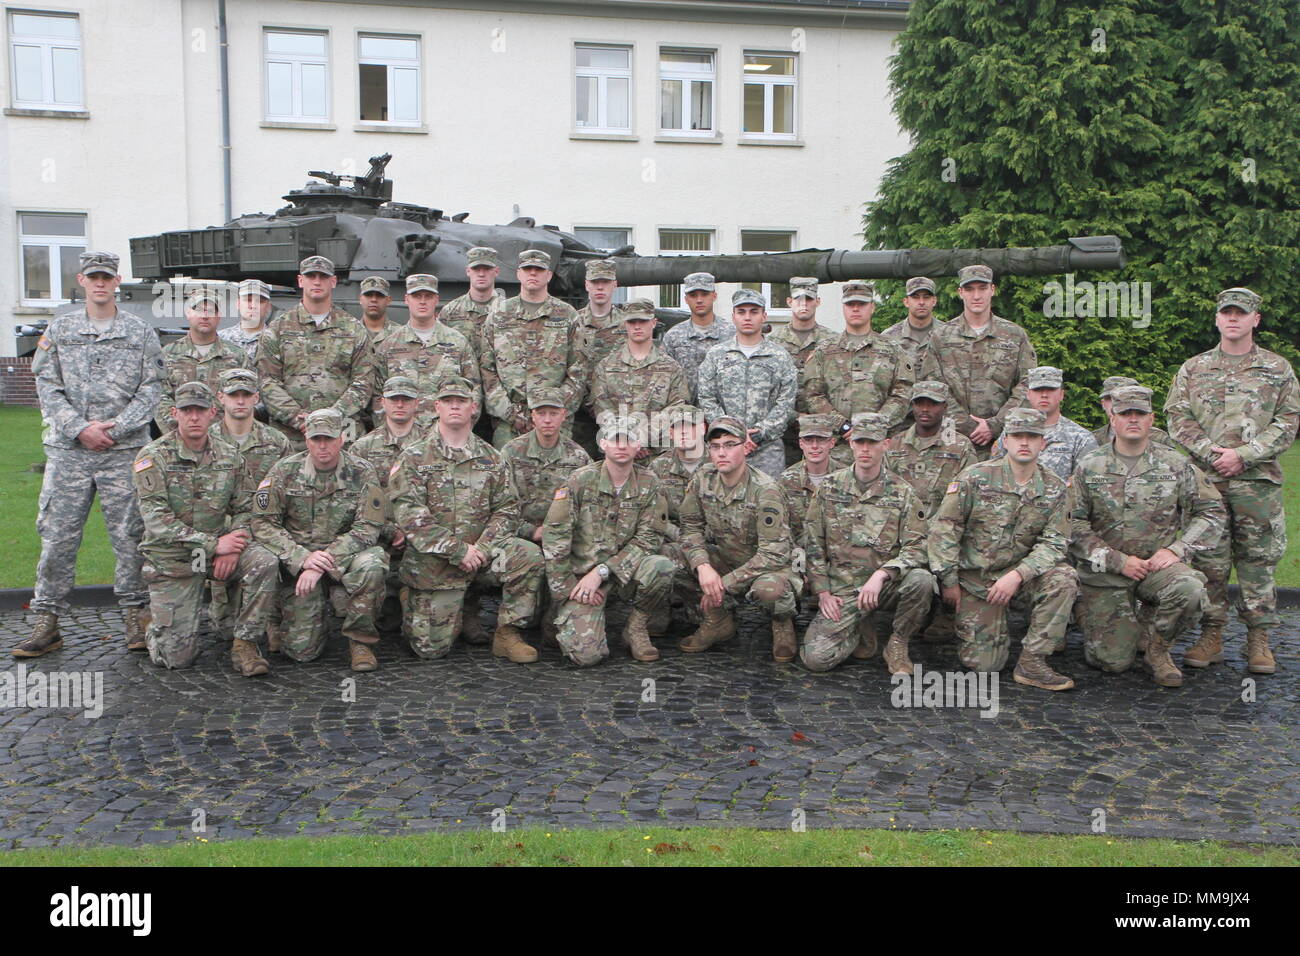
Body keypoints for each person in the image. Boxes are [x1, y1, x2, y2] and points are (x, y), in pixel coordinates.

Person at [16, 251, 163, 659]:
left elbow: (152, 388)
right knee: (58, 539)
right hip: (69, 453)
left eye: (107, 277)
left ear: (118, 281)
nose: (100, 284)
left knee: (131, 538)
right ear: (81, 280)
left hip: (123, 450)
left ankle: (136, 615)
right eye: (93, 277)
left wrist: (115, 427)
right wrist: (80, 428)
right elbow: (47, 385)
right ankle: (47, 621)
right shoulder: (61, 330)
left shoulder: (139, 331)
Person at [1165, 287, 1300, 674]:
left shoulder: (1278, 369)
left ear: (1256, 319)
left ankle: (1259, 639)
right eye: (1227, 313)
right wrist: (1212, 453)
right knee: (1210, 561)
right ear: (1217, 319)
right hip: (1207, 482)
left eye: (1241, 313)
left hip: (1257, 482)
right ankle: (1213, 635)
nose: (1233, 319)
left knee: (1258, 562)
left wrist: (1244, 454)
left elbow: (1288, 422)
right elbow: (1177, 417)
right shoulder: (1195, 368)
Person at [1070, 386, 1225, 686]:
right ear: (1112, 419)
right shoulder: (1089, 466)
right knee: (1112, 662)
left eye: (1139, 414)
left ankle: (1158, 649)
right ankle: (1100, 614)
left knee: (1191, 589)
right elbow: (1072, 526)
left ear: (1151, 419)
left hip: (1158, 567)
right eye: (1125, 413)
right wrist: (1117, 560)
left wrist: (1177, 550)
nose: (1133, 420)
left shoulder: (1176, 465)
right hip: (1107, 572)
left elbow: (1212, 513)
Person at [388, 377, 545, 663]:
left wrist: (481, 549)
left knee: (528, 556)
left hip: (484, 555)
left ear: (474, 408)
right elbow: (411, 516)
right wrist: (458, 550)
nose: (455, 406)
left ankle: (508, 632)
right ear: (437, 407)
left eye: (461, 401)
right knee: (431, 650)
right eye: (448, 401)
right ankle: (419, 599)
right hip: (436, 558)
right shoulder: (413, 457)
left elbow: (507, 509)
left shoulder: (492, 457)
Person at [133, 382, 278, 675]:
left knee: (264, 561)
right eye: (187, 411)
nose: (194, 417)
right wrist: (214, 544)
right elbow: (157, 520)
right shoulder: (152, 457)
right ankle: (152, 626)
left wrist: (233, 546)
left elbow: (246, 507)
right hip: (174, 558)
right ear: (175, 414)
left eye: (200, 410)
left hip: (217, 553)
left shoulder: (230, 456)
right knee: (176, 658)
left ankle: (245, 643)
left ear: (213, 413)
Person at [929, 407, 1077, 691]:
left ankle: (1033, 661)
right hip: (977, 581)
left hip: (1023, 579)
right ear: (1004, 441)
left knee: (1064, 578)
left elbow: (1055, 542)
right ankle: (987, 627)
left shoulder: (1055, 488)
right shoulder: (975, 478)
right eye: (1017, 436)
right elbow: (945, 529)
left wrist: (1018, 575)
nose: (1024, 442)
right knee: (985, 666)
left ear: (1042, 443)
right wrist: (948, 581)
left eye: (1032, 437)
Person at [251, 408, 389, 672]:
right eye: (316, 439)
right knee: (302, 653)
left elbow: (368, 527)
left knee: (373, 563)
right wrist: (302, 559)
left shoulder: (362, 471)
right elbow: (263, 523)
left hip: (344, 557)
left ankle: (360, 641)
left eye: (328, 438)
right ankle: (278, 615)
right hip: (300, 561)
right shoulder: (284, 471)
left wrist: (324, 561)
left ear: (341, 438)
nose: (322, 445)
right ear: (306, 440)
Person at [800, 413, 934, 674]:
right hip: (843, 589)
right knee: (816, 660)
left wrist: (883, 574)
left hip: (884, 586)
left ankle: (897, 643)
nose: (865, 449)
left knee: (922, 580)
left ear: (885, 444)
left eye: (872, 443)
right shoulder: (830, 487)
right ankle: (861, 627)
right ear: (850, 444)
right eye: (860, 442)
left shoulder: (902, 492)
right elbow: (814, 542)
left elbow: (917, 547)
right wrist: (823, 592)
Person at [542, 417, 674, 665]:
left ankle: (636, 628)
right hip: (582, 578)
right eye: (615, 439)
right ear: (603, 444)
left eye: (629, 440)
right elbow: (555, 536)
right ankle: (558, 611)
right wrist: (567, 588)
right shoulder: (579, 481)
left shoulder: (651, 484)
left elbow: (650, 538)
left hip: (623, 572)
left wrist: (603, 571)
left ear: (638, 446)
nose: (621, 446)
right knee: (587, 655)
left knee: (662, 566)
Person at [677, 416, 797, 662]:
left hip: (766, 566)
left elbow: (774, 554)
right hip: (726, 558)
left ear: (745, 448)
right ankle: (718, 620)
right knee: (671, 562)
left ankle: (782, 622)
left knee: (771, 590)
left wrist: (724, 584)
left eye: (730, 445)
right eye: (715, 446)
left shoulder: (766, 490)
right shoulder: (703, 478)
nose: (722, 452)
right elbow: (690, 526)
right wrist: (703, 566)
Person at [207, 367, 292, 652]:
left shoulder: (277, 442)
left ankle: (272, 618)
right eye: (233, 395)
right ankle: (223, 601)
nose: (240, 401)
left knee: (269, 559)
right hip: (218, 534)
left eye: (246, 395)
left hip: (266, 527)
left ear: (257, 397)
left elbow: (288, 493)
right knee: (222, 631)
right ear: (221, 398)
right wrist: (227, 541)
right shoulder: (205, 441)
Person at [501, 387, 592, 644]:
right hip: (519, 535)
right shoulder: (511, 452)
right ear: (533, 417)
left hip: (562, 539)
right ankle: (510, 628)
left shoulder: (578, 457)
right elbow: (499, 505)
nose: (548, 419)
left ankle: (557, 614)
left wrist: (558, 534)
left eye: (553, 413)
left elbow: (585, 509)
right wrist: (531, 531)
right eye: (542, 413)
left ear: (564, 415)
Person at [920, 264, 1037, 459]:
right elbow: (932, 386)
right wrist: (965, 424)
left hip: (1003, 439)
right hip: (952, 436)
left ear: (992, 290)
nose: (976, 296)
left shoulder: (1014, 335)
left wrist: (996, 424)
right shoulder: (941, 337)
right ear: (960, 292)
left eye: (982, 288)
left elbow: (1028, 384)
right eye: (969, 289)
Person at [256, 255, 374, 446]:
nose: (317, 281)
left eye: (323, 276)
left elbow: (364, 381)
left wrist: (332, 417)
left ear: (333, 281)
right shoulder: (278, 329)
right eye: (311, 276)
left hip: (343, 433)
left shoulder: (353, 329)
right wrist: (297, 418)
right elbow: (267, 381)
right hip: (291, 435)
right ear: (301, 281)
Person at [478, 248, 583, 447]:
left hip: (554, 423)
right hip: (509, 424)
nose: (533, 273)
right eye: (527, 269)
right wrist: (510, 414)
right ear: (519, 274)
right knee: (508, 476)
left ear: (549, 275)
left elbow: (578, 370)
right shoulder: (499, 315)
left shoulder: (567, 315)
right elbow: (487, 371)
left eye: (538, 269)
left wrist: (551, 413)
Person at [350, 375, 429, 641]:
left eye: (406, 399)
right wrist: (389, 530)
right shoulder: (362, 448)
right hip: (379, 536)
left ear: (417, 404)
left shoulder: (432, 445)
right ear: (382, 403)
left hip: (423, 536)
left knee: (429, 639)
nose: (400, 405)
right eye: (394, 399)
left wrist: (412, 529)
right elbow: (356, 501)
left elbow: (441, 497)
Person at [695, 290, 798, 477]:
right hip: (724, 447)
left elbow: (786, 403)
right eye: (741, 312)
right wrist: (731, 433)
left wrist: (760, 433)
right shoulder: (717, 355)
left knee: (768, 501)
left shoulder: (780, 356)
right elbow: (706, 397)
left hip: (766, 449)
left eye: (754, 311)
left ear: (764, 316)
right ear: (733, 317)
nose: (747, 317)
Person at [803, 280, 914, 434]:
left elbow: (902, 394)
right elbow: (813, 395)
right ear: (843, 308)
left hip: (878, 442)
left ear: (872, 307)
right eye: (850, 304)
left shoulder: (893, 350)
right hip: (835, 443)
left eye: (861, 304)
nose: (855, 309)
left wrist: (872, 426)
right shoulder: (824, 351)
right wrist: (841, 425)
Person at [586, 298, 690, 458]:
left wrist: (642, 438)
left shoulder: (671, 368)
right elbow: (601, 407)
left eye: (642, 321)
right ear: (624, 324)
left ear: (654, 322)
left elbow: (677, 407)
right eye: (631, 321)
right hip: (617, 452)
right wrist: (627, 440)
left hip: (658, 454)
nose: (637, 326)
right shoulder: (606, 367)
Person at [371, 273, 479, 426]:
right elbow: (377, 397)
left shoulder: (458, 343)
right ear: (407, 299)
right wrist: (392, 433)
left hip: (445, 437)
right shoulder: (388, 346)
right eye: (416, 296)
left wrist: (458, 431)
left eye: (428, 296)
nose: (422, 301)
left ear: (436, 299)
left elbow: (474, 391)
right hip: (402, 439)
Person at [155, 287, 249, 432]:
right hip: (179, 438)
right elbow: (159, 396)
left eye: (211, 311)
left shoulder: (237, 356)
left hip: (225, 442)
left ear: (219, 316)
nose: (205, 316)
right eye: (199, 309)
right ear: (188, 313)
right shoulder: (168, 354)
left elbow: (245, 399)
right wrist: (180, 430)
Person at [767, 277, 837, 462]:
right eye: (798, 299)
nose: (803, 304)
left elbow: (837, 386)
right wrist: (793, 416)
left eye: (809, 299)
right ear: (789, 302)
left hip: (821, 432)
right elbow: (767, 388)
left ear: (818, 302)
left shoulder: (832, 341)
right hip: (783, 430)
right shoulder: (773, 341)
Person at [885, 381, 977, 519]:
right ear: (912, 406)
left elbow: (970, 496)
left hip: (943, 528)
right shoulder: (894, 445)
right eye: (919, 403)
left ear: (945, 407)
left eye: (932, 404)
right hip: (899, 525)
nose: (925, 409)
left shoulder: (960, 446)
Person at [989, 366, 1096, 480]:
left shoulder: (1080, 438)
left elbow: (1092, 481)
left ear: (1061, 394)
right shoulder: (1012, 432)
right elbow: (993, 473)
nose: (1044, 395)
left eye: (1050, 389)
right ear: (1028, 394)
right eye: (1038, 390)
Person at [660, 272, 735, 402]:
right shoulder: (673, 336)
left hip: (722, 414)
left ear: (714, 296)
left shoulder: (731, 334)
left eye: (705, 294)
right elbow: (664, 378)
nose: (699, 300)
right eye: (693, 295)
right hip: (684, 413)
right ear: (686, 299)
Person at [438, 245, 504, 351]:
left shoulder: (509, 311)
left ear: (496, 271)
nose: (481, 274)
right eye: (476, 269)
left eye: (487, 269)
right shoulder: (450, 311)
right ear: (468, 271)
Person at [880, 276, 946, 373]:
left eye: (926, 297)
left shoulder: (948, 334)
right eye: (915, 297)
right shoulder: (888, 338)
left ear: (934, 301)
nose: (921, 302)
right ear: (906, 302)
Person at [1091, 376, 1172, 447]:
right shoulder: (1092, 439)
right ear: (1103, 404)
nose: (1115, 403)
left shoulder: (1158, 437)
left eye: (1123, 398)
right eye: (1110, 398)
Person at [218, 278, 276, 361]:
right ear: (238, 304)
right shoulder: (220, 339)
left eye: (260, 301)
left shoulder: (278, 341)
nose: (253, 305)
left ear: (268, 307)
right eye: (248, 300)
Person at [358, 276, 399, 350]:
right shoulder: (349, 334)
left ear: (388, 300)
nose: (374, 299)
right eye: (369, 295)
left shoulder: (401, 334)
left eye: (380, 295)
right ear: (360, 299)